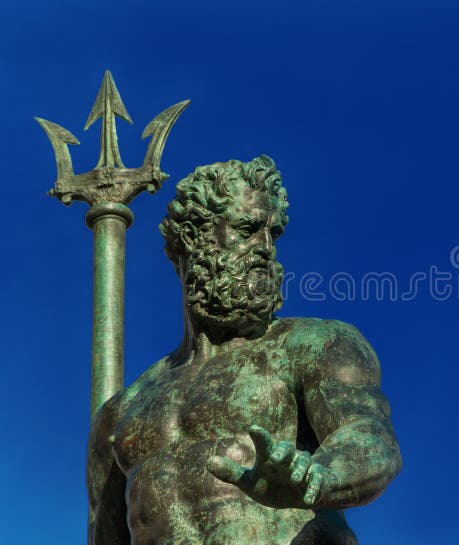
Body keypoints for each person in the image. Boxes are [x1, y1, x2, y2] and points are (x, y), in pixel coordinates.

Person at [87, 156, 402, 545]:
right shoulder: (121, 412)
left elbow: (369, 437)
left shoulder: (314, 344)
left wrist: (319, 476)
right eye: (248, 229)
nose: (265, 248)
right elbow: (106, 534)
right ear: (192, 239)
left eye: (273, 234)